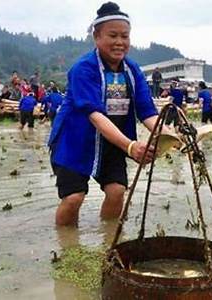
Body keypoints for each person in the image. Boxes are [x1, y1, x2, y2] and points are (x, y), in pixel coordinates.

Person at [48, 2, 161, 226]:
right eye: (113, 35)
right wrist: (130, 146)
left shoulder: (132, 70)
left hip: (112, 142)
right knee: (73, 198)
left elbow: (147, 111)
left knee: (117, 191)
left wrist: (169, 135)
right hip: (75, 140)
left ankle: (108, 239)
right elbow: (95, 115)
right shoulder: (83, 69)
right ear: (97, 37)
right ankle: (66, 245)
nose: (120, 42)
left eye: (125, 36)